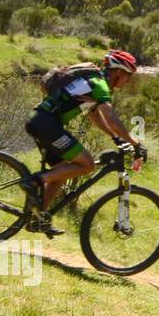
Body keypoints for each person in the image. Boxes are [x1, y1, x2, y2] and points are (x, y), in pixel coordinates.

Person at [22, 50, 147, 236]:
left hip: (40, 120)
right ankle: (35, 181)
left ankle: (38, 219)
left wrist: (116, 138)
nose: (127, 81)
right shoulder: (100, 85)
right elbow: (110, 117)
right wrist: (135, 143)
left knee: (61, 172)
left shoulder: (92, 82)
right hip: (46, 124)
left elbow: (95, 116)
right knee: (87, 164)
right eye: (127, 77)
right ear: (119, 73)